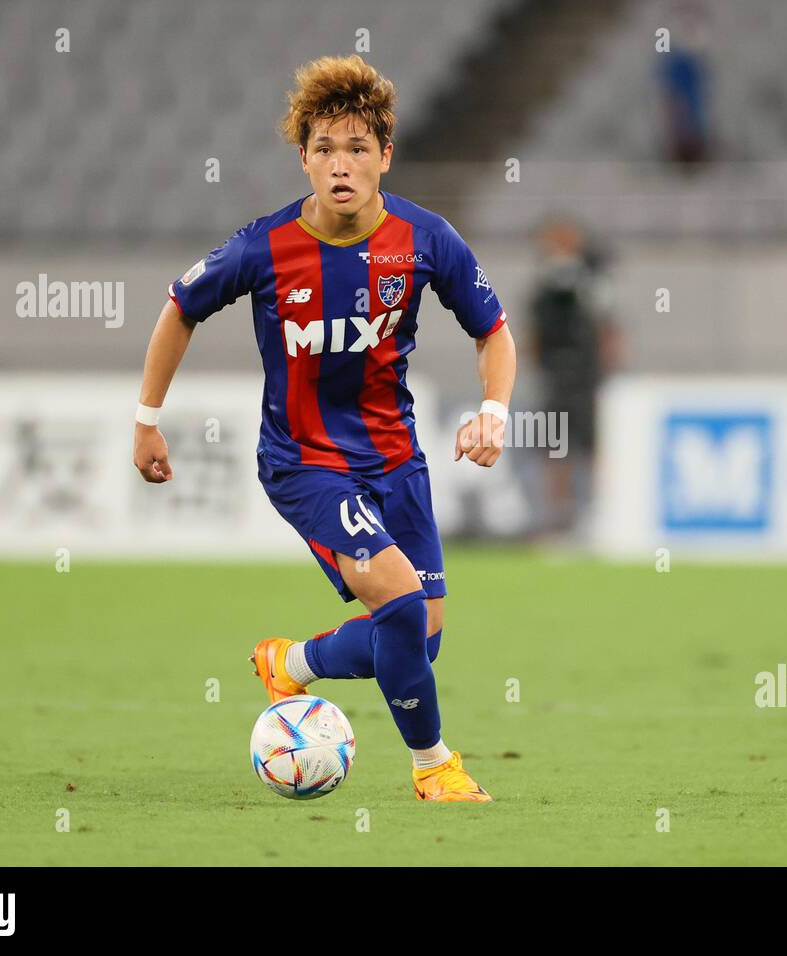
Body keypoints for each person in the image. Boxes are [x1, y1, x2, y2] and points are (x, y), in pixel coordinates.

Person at [132, 55, 516, 802]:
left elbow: (493, 331)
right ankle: (434, 765)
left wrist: (493, 411)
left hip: (396, 460)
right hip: (304, 462)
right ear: (303, 157)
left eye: (358, 149)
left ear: (385, 157)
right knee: (401, 607)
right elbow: (180, 307)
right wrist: (147, 419)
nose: (341, 166)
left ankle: (294, 664)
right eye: (325, 150)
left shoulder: (425, 239)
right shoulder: (263, 247)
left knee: (420, 640)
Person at [528, 217, 617, 536]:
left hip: (586, 377)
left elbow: (607, 327)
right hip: (556, 376)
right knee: (555, 446)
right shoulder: (544, 285)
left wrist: (607, 368)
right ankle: (559, 517)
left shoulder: (591, 281)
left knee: (592, 444)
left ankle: (598, 512)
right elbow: (534, 331)